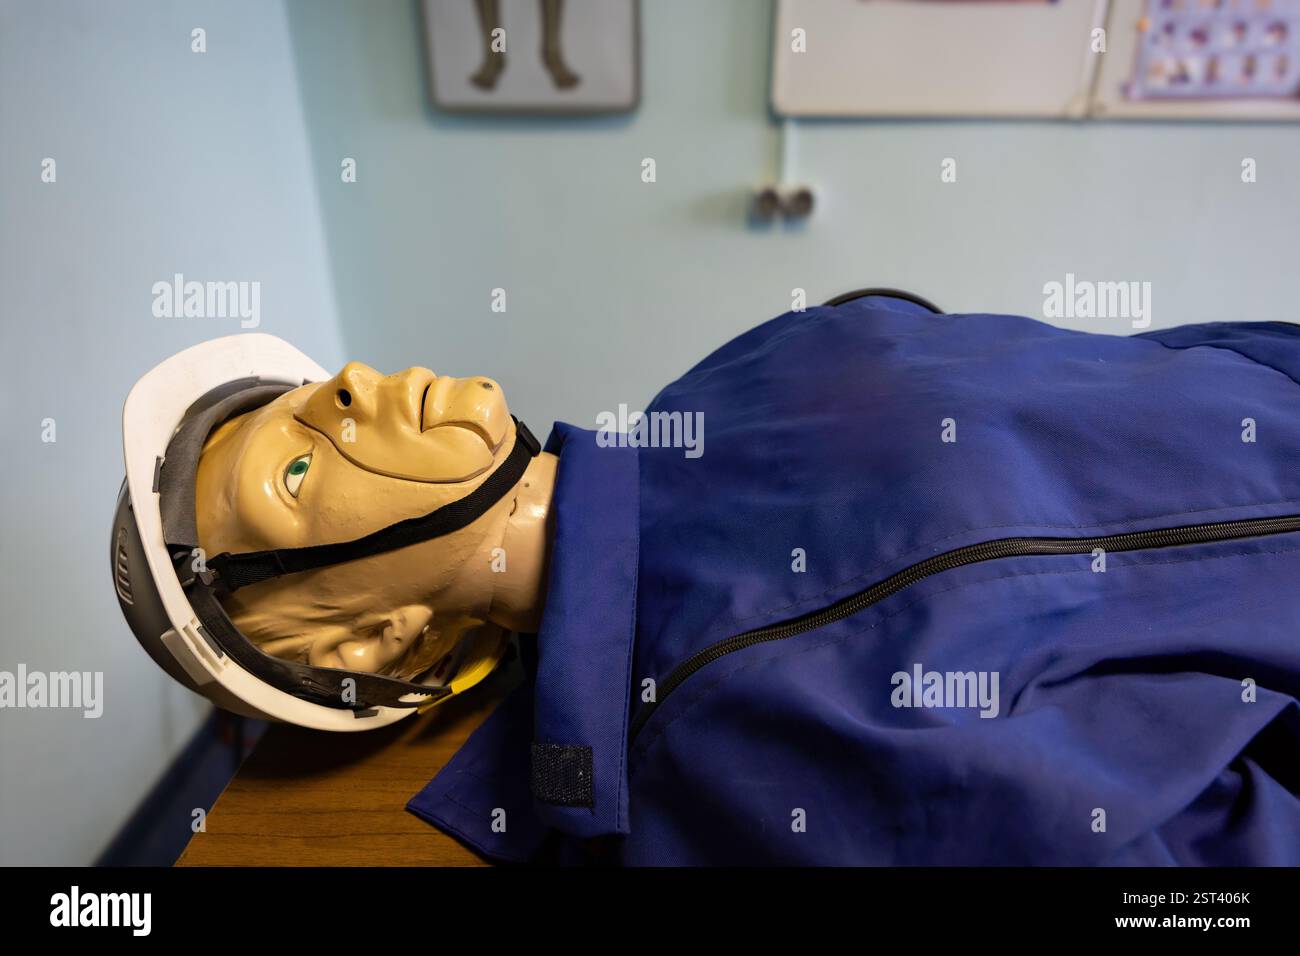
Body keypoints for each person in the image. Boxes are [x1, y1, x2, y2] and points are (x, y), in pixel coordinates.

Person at [137, 292, 1300, 864]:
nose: (345, 379)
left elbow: (1128, 363)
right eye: (294, 471)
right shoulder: (747, 717)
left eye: (309, 395)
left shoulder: (733, 372)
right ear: (377, 642)